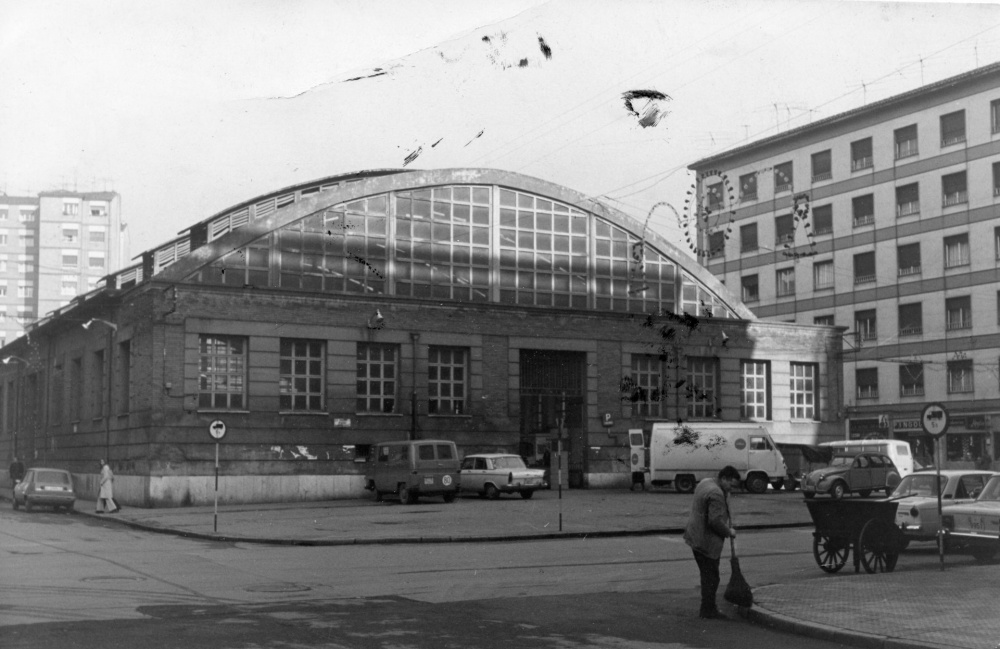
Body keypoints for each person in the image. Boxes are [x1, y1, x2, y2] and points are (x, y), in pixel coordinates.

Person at [683, 465, 740, 619]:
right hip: (705, 542)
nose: (731, 490)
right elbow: (714, 521)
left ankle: (707, 608)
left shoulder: (706, 482)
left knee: (707, 575)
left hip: (694, 536)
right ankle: (708, 610)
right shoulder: (716, 493)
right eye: (731, 485)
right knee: (712, 577)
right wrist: (729, 532)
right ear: (724, 479)